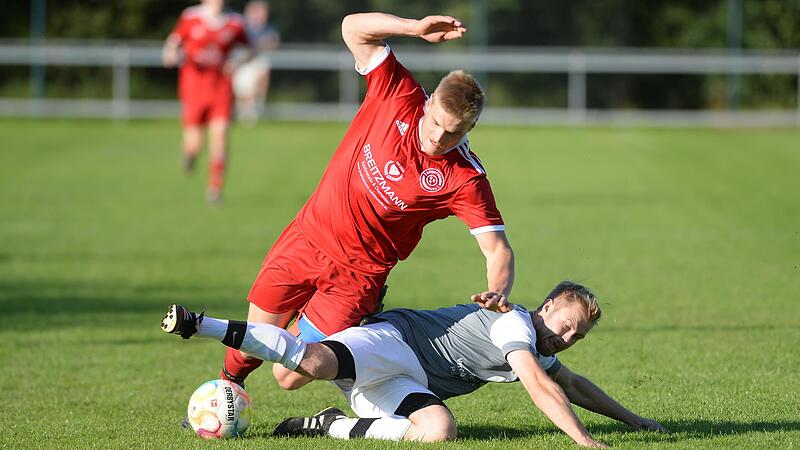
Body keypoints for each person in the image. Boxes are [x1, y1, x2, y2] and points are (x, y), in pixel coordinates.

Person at [218, 11, 516, 393]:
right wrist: (414, 28)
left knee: (288, 375)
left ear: (470, 128)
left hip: (357, 278)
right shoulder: (398, 94)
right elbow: (352, 28)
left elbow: (497, 249)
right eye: (436, 123)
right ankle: (226, 389)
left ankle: (347, 322)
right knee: (255, 339)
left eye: (452, 132)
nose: (438, 137)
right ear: (428, 104)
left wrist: (497, 291)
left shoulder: (465, 178)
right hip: (308, 237)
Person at [161, 281, 667, 446]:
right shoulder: (514, 323)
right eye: (567, 324)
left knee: (438, 431)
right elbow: (540, 386)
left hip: (407, 380)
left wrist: (635, 421)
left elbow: (573, 385)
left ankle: (327, 425)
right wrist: (584, 441)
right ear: (548, 306)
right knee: (311, 363)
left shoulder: (537, 346)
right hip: (393, 341)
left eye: (578, 335)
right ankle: (201, 324)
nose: (568, 338)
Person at [162, 0, 253, 203]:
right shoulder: (191, 17)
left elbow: (250, 49)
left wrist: (237, 62)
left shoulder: (235, 22)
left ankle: (215, 188)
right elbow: (172, 43)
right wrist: (170, 55)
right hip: (194, 90)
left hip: (221, 89)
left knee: (220, 135)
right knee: (195, 143)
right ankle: (189, 154)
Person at [233, 0, 280, 122]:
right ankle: (240, 111)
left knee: (261, 69)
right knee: (241, 90)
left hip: (253, 63)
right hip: (239, 63)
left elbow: (273, 43)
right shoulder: (240, 26)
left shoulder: (268, 28)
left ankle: (252, 110)